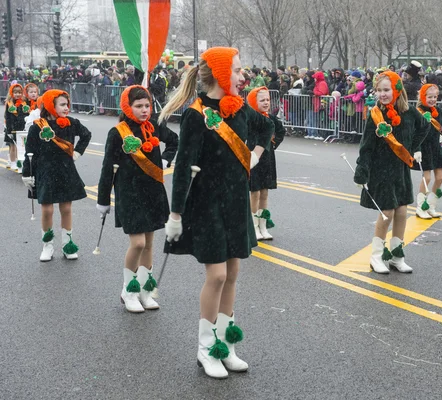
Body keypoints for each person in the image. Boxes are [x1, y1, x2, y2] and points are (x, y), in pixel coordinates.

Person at [158, 47, 274, 379]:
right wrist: (175, 214)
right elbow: (182, 168)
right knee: (218, 276)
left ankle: (227, 346)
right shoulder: (196, 115)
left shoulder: (238, 109)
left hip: (236, 203)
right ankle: (206, 349)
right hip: (207, 206)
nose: (243, 76)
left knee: (233, 274)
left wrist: (255, 155)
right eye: (237, 71)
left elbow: (267, 128)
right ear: (222, 74)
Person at [96, 86, 178, 313]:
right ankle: (128, 290)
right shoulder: (118, 133)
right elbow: (107, 169)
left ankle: (145, 290)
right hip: (129, 193)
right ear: (127, 107)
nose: (144, 110)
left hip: (153, 190)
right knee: (138, 243)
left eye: (147, 106)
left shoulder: (154, 126)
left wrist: (164, 160)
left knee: (150, 243)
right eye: (139, 106)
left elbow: (174, 141)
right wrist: (104, 199)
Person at [353, 71, 429, 274]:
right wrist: (362, 170)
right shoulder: (375, 115)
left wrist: (411, 148)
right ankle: (376, 256)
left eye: (386, 90)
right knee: (387, 213)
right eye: (378, 90)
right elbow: (366, 146)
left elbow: (424, 127)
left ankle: (396, 256)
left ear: (396, 90)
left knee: (402, 211)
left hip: (401, 168)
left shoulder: (410, 112)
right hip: (381, 169)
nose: (382, 94)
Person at [21, 90, 91, 262]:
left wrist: (77, 153)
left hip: (66, 170)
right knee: (47, 210)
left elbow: (86, 135)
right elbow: (29, 152)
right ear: (51, 105)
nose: (66, 108)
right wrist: (27, 173)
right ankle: (47, 245)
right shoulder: (37, 126)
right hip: (45, 172)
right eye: (62, 104)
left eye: (67, 104)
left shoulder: (71, 123)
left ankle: (68, 245)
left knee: (66, 209)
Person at [247, 87, 285, 240]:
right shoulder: (250, 119)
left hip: (268, 159)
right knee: (254, 193)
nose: (266, 103)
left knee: (264, 192)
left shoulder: (272, 118)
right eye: (262, 100)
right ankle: (253, 227)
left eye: (268, 100)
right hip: (254, 159)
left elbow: (281, 131)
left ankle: (263, 226)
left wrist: (273, 143)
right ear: (253, 102)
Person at [412, 84, 442, 219]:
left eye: (435, 97)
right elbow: (413, 132)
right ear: (423, 97)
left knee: (440, 178)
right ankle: (421, 207)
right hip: (423, 149)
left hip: (435, 147)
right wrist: (416, 149)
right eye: (430, 97)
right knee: (426, 178)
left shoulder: (439, 111)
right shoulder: (417, 112)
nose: (433, 99)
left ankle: (431, 205)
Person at [4, 83, 28, 170]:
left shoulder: (24, 103)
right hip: (12, 128)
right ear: (11, 93)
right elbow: (8, 117)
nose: (17, 94)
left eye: (19, 92)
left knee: (20, 147)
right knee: (13, 147)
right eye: (15, 92)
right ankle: (13, 162)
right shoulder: (9, 104)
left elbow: (26, 115)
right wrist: (9, 130)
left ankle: (19, 162)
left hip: (21, 128)